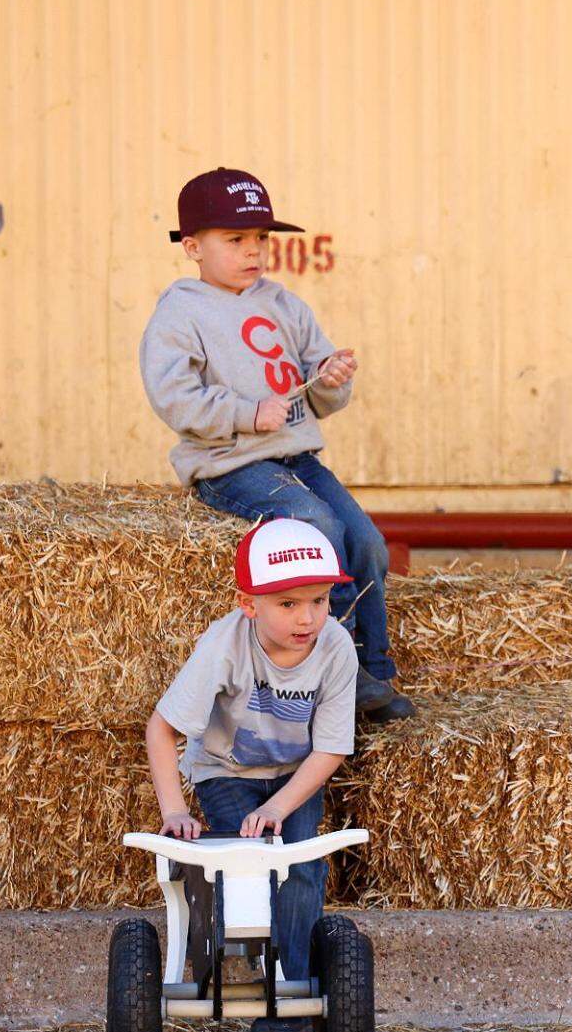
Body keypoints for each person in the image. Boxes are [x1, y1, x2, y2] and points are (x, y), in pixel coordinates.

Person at [139, 166, 412, 721]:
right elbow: (174, 397)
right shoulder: (181, 311)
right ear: (192, 246)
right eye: (235, 239)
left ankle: (374, 670)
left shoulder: (284, 304)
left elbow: (319, 390)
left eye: (260, 238)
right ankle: (339, 668)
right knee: (317, 524)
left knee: (367, 543)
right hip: (232, 463)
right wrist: (246, 412)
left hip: (297, 457)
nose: (253, 250)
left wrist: (331, 378)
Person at [145, 516, 359, 1032]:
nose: (307, 617)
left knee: (299, 867)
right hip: (227, 771)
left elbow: (331, 748)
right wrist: (175, 811)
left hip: (295, 776)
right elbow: (162, 729)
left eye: (319, 600)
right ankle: (219, 960)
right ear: (249, 604)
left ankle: (292, 994)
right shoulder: (225, 644)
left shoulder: (336, 648)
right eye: (287, 604)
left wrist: (279, 808)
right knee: (245, 868)